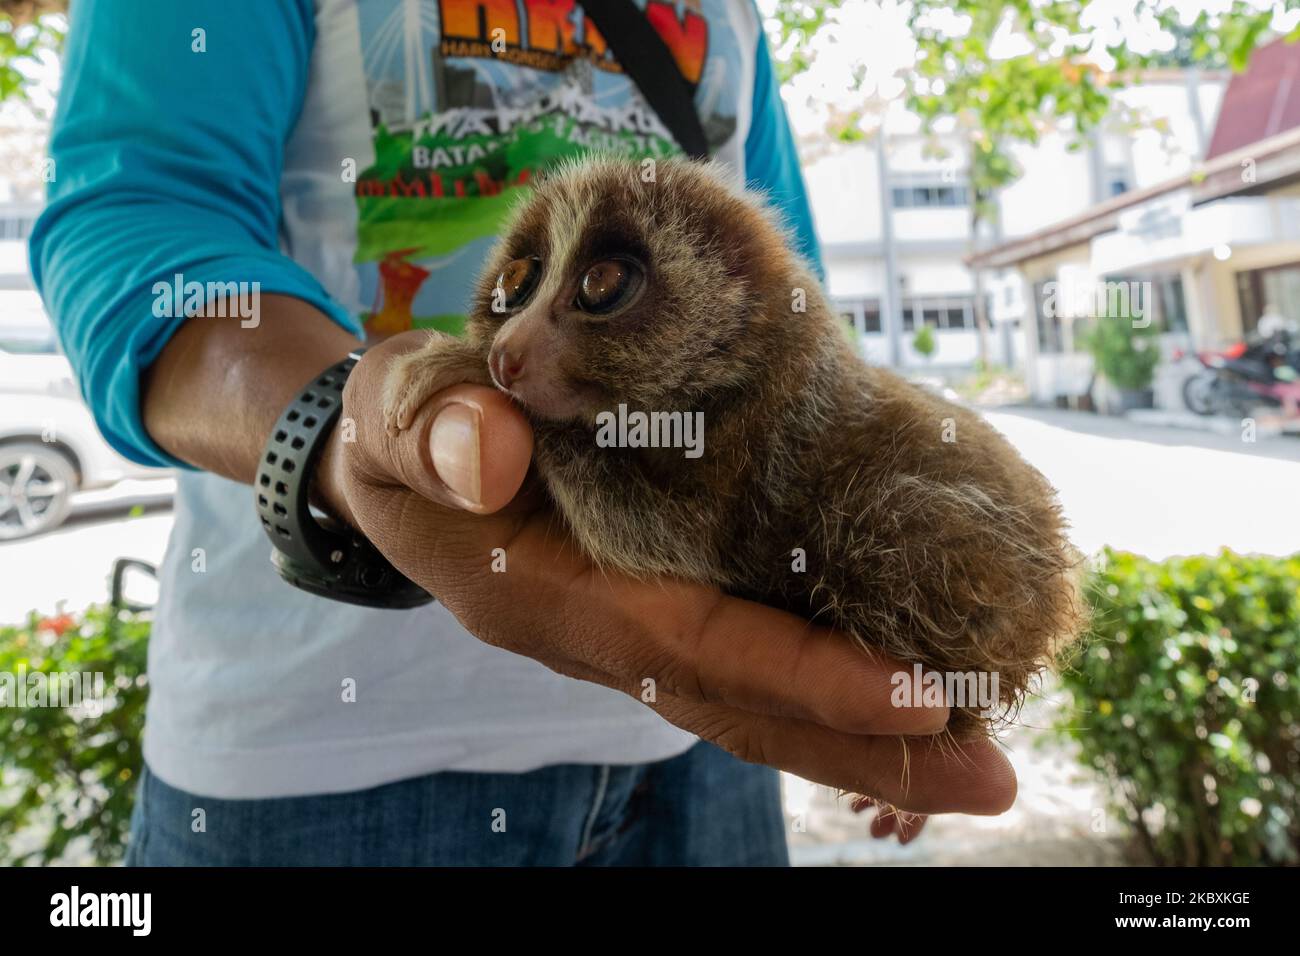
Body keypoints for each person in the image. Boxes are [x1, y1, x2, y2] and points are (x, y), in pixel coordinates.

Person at [31, 0, 1014, 866]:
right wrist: (339, 434)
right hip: (320, 751)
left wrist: (881, 652)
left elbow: (790, 310)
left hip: (706, 748)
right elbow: (143, 217)